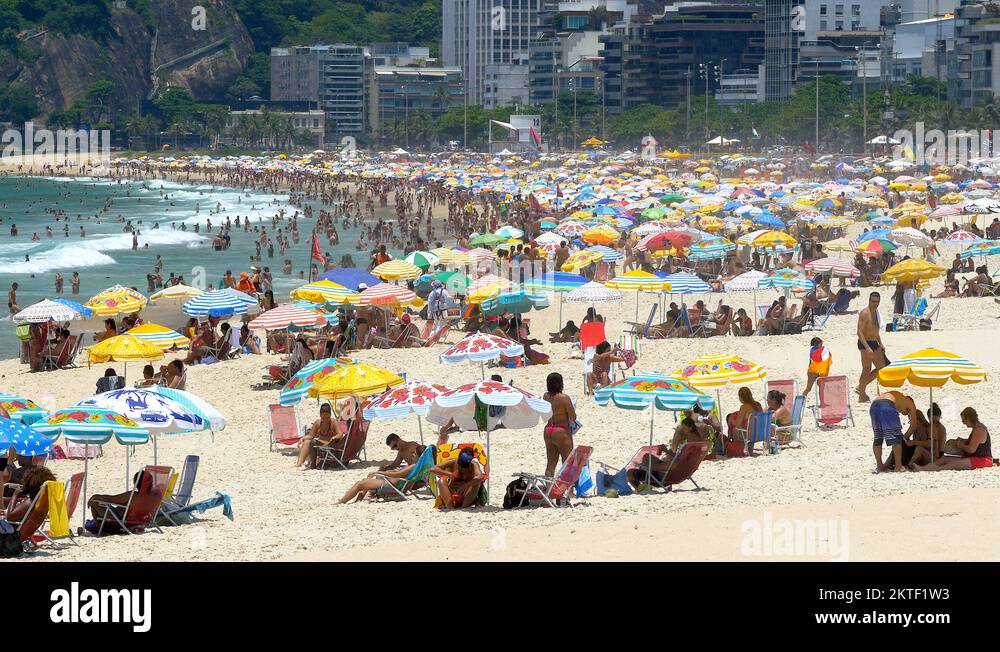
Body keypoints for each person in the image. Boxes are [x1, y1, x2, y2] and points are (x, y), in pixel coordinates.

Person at [338, 445, 431, 503]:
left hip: (390, 484)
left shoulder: (413, 466)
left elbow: (398, 475)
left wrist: (378, 472)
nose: (412, 455)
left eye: (414, 453)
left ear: (419, 456)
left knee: (360, 484)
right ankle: (358, 500)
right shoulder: (418, 466)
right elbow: (400, 474)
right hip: (394, 483)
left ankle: (341, 502)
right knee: (365, 481)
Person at [914, 407, 993, 471]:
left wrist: (960, 445)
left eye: (964, 419)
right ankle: (925, 468)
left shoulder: (979, 430)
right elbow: (977, 443)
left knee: (951, 465)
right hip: (975, 458)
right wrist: (963, 440)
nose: (963, 422)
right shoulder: (977, 428)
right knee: (944, 459)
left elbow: (971, 449)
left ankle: (934, 470)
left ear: (969, 418)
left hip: (982, 460)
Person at [870, 390, 916, 473]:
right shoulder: (911, 404)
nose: (901, 412)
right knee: (896, 438)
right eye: (902, 412)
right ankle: (898, 466)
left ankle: (880, 466)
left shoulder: (898, 397)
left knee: (878, 438)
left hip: (874, 405)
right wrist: (904, 438)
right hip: (887, 405)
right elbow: (913, 425)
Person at [542, 372, 576, 477]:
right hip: (561, 430)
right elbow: (573, 417)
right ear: (560, 383)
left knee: (550, 465)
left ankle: (548, 491)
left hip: (548, 429)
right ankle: (569, 492)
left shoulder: (545, 396)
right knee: (567, 463)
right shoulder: (564, 398)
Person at [856, 292, 886, 403]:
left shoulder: (876, 313)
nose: (875, 304)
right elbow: (859, 332)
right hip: (865, 344)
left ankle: (860, 387)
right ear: (869, 301)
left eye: (877, 302)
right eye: (873, 301)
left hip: (874, 343)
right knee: (866, 369)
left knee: (881, 367)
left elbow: (875, 330)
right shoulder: (865, 313)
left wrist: (881, 343)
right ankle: (862, 395)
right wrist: (867, 348)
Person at [295, 402, 344, 469]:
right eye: (323, 418)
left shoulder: (334, 422)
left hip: (331, 445)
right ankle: (299, 464)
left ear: (330, 415)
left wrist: (335, 437)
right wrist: (303, 438)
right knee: (307, 441)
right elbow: (311, 435)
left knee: (312, 442)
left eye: (327, 417)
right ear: (320, 415)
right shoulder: (318, 423)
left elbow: (340, 434)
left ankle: (313, 464)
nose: (325, 420)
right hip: (321, 445)